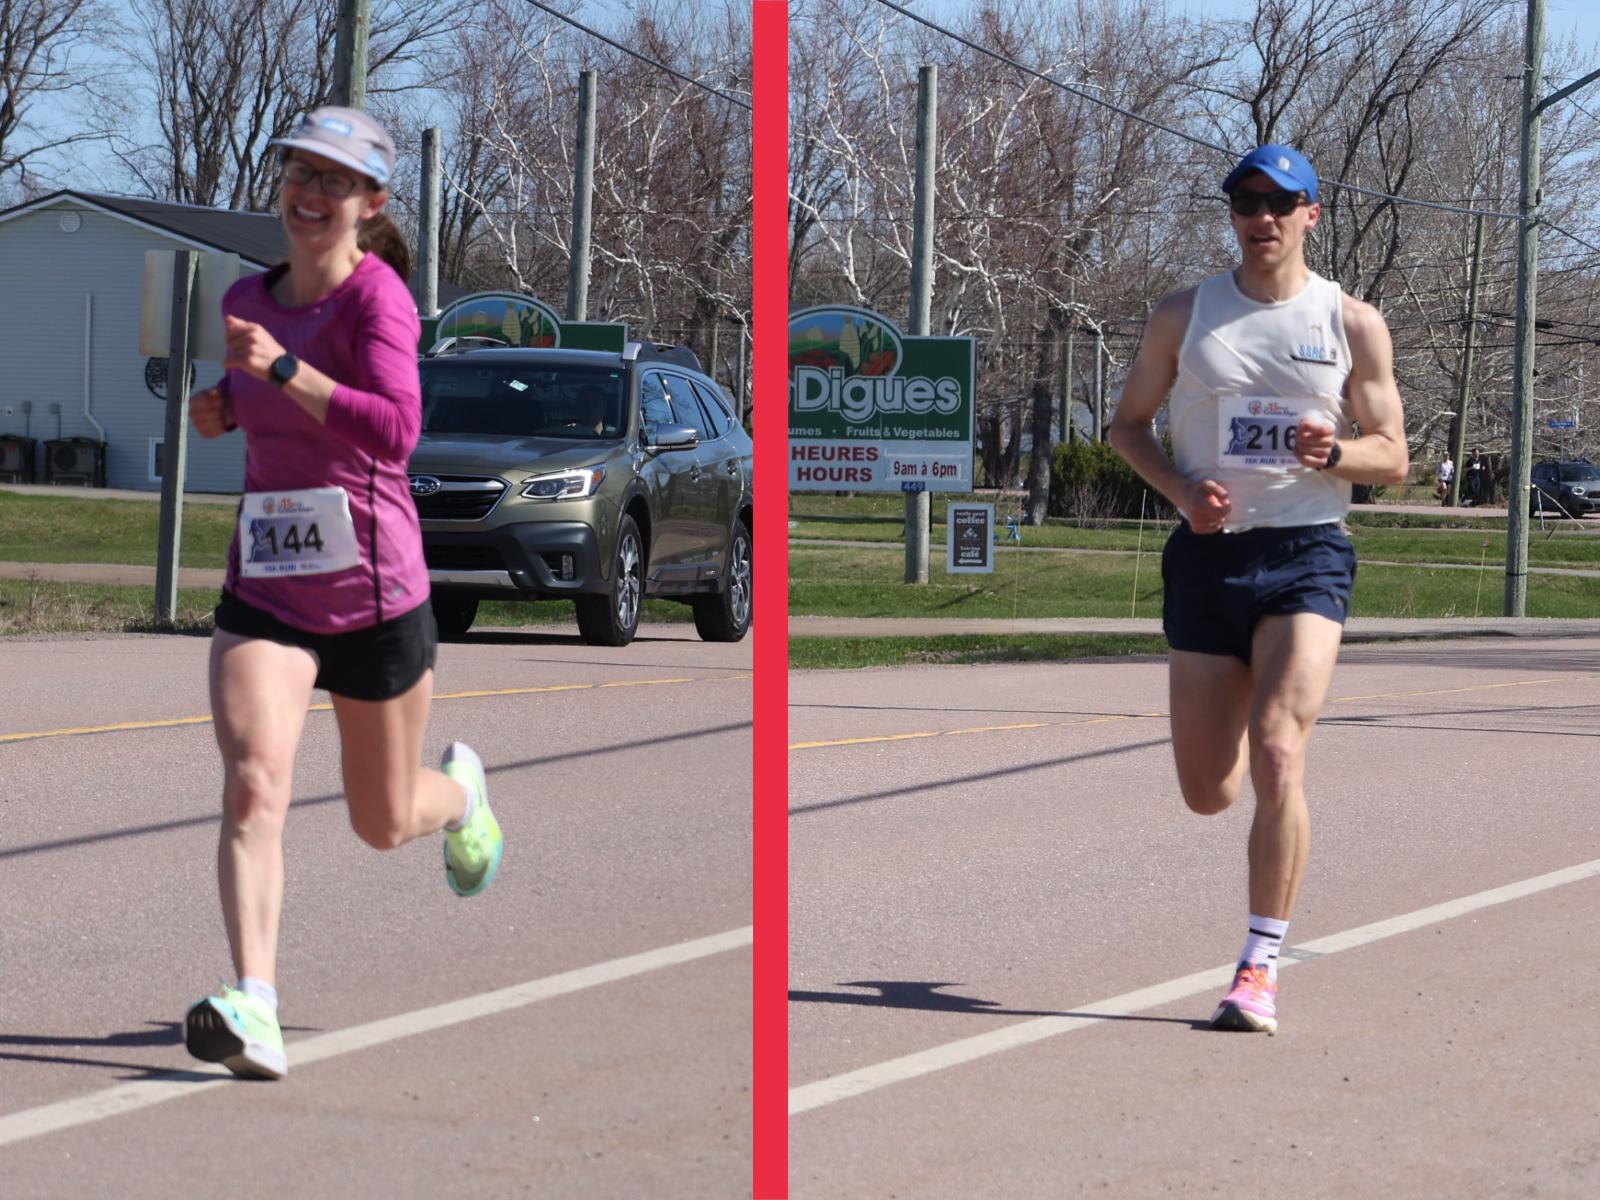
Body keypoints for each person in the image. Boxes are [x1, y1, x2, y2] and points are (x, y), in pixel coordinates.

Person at [184, 106, 504, 1079]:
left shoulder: (380, 303)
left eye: (333, 181)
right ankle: (258, 1005)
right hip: (269, 587)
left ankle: (461, 800)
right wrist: (223, 407)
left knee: (382, 820)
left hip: (374, 594)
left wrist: (281, 369)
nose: (309, 193)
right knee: (253, 782)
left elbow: (392, 433)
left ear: (369, 205)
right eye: (297, 173)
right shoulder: (249, 293)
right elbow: (258, 400)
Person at [1108, 144, 1408, 1033]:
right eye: (1247, 200)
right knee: (1210, 791)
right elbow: (1128, 427)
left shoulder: (1352, 323)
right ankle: (1237, 727)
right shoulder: (1183, 316)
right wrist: (1179, 491)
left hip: (1309, 551)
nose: (1262, 216)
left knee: (1280, 749)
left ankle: (1258, 967)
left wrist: (1336, 454)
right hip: (1209, 558)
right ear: (1232, 214)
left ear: (1313, 214)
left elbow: (1392, 455)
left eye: (1282, 201)